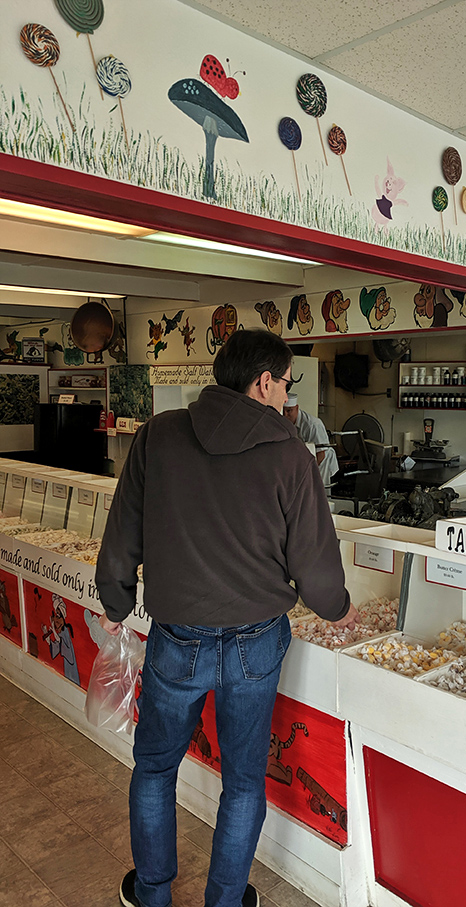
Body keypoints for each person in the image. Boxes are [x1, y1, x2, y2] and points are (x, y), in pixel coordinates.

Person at [95, 329, 358, 907]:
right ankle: (225, 900)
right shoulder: (292, 455)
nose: (287, 397)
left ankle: (153, 894)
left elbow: (124, 527)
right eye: (285, 384)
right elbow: (314, 563)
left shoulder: (158, 436)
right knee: (242, 780)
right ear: (263, 380)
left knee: (155, 767)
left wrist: (115, 603)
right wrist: (337, 610)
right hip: (257, 642)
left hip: (177, 638)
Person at [282, 393, 339, 488]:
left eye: (289, 411)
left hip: (323, 462)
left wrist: (306, 473)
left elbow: (321, 454)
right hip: (308, 460)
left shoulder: (312, 425)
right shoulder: (286, 423)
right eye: (283, 411)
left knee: (320, 492)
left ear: (296, 408)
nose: (285, 415)